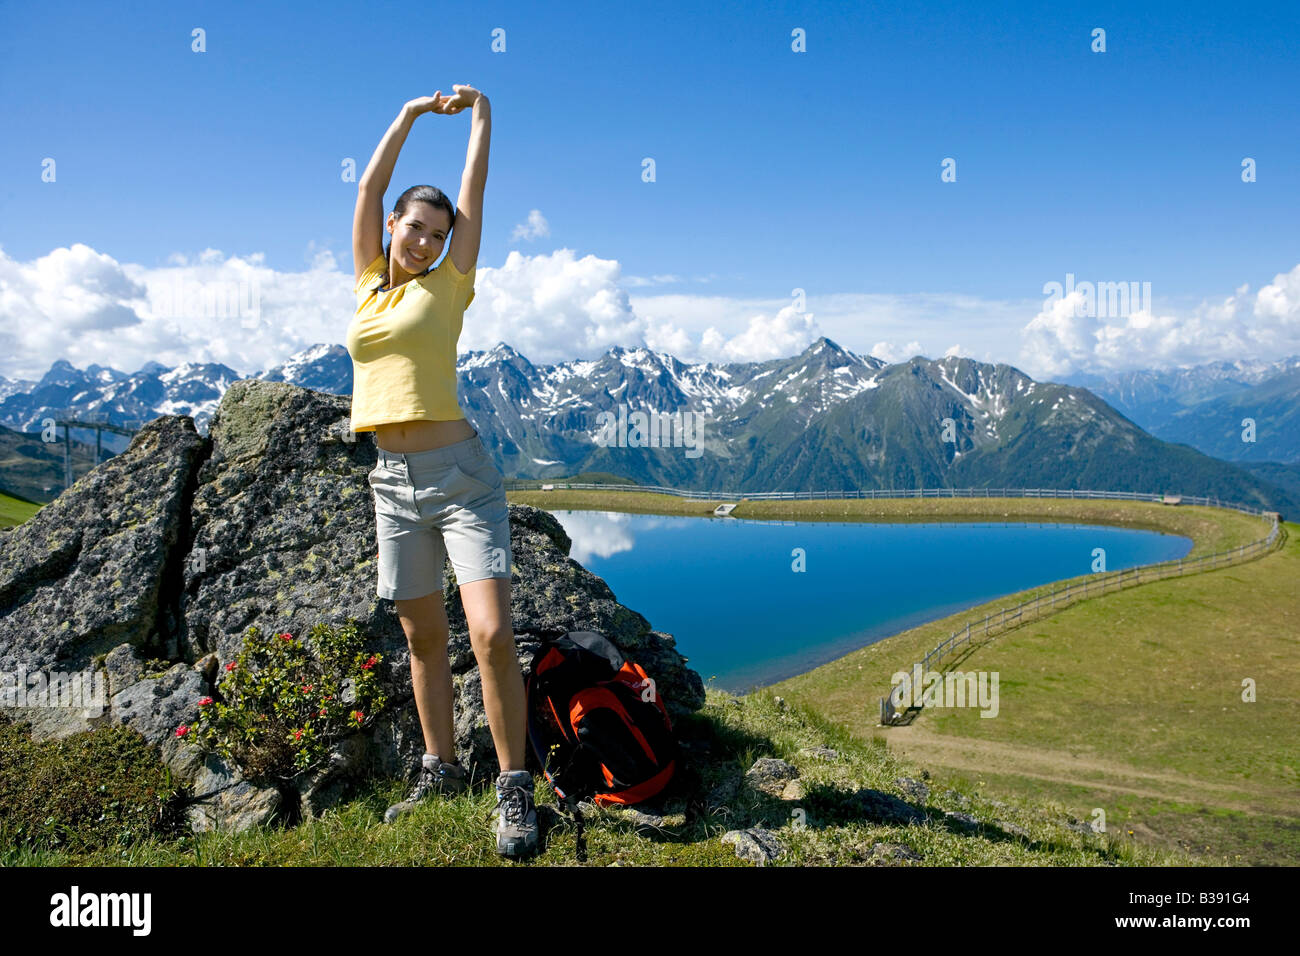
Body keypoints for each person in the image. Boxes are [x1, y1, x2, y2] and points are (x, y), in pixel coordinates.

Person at [344, 85, 538, 858]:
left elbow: (473, 188)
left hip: (460, 479)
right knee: (423, 637)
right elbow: (365, 184)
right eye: (413, 229)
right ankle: (441, 766)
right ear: (393, 225)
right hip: (391, 480)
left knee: (489, 633)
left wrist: (483, 113)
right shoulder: (365, 282)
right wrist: (408, 115)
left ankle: (514, 789)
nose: (423, 242)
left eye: (436, 234)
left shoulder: (449, 284)